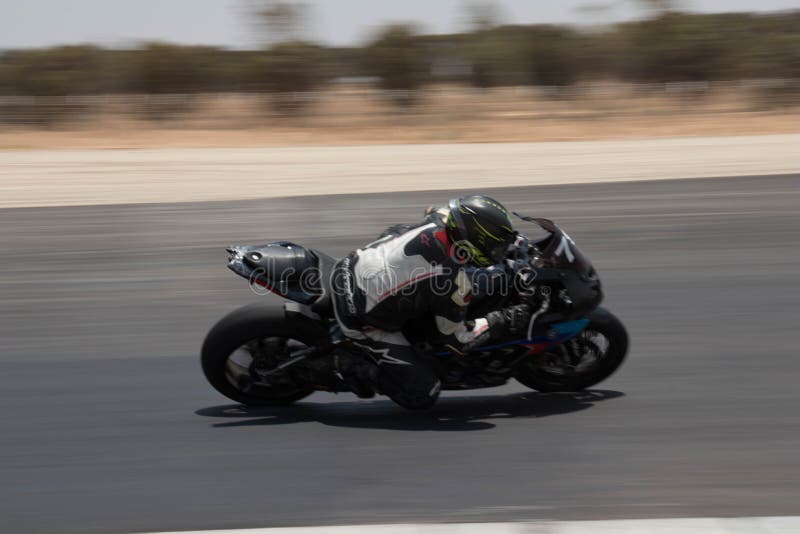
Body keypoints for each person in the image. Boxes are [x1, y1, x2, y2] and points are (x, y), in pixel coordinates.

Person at [329, 195, 532, 410]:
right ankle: (346, 364)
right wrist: (501, 319)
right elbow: (458, 340)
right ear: (472, 240)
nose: (497, 252)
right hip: (358, 316)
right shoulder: (452, 282)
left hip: (352, 264)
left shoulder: (445, 218)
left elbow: (430, 210)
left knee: (400, 232)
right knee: (423, 393)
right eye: (494, 246)